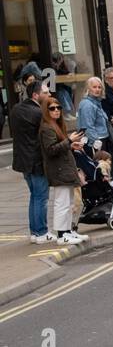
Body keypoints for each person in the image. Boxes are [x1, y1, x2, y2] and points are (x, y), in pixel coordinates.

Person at [38, 100, 88, 244]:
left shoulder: (56, 125)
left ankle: (68, 231)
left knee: (69, 202)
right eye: (52, 108)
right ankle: (62, 235)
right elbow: (51, 150)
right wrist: (68, 140)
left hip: (64, 168)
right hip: (58, 170)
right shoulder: (47, 128)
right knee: (62, 202)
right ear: (46, 111)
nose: (56, 110)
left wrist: (71, 145)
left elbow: (59, 147)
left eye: (58, 107)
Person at [12, 82, 53, 243]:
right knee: (41, 198)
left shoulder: (16, 109)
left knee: (34, 196)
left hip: (23, 162)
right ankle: (42, 232)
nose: (49, 95)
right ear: (36, 95)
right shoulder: (38, 113)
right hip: (36, 161)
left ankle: (35, 232)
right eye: (46, 92)